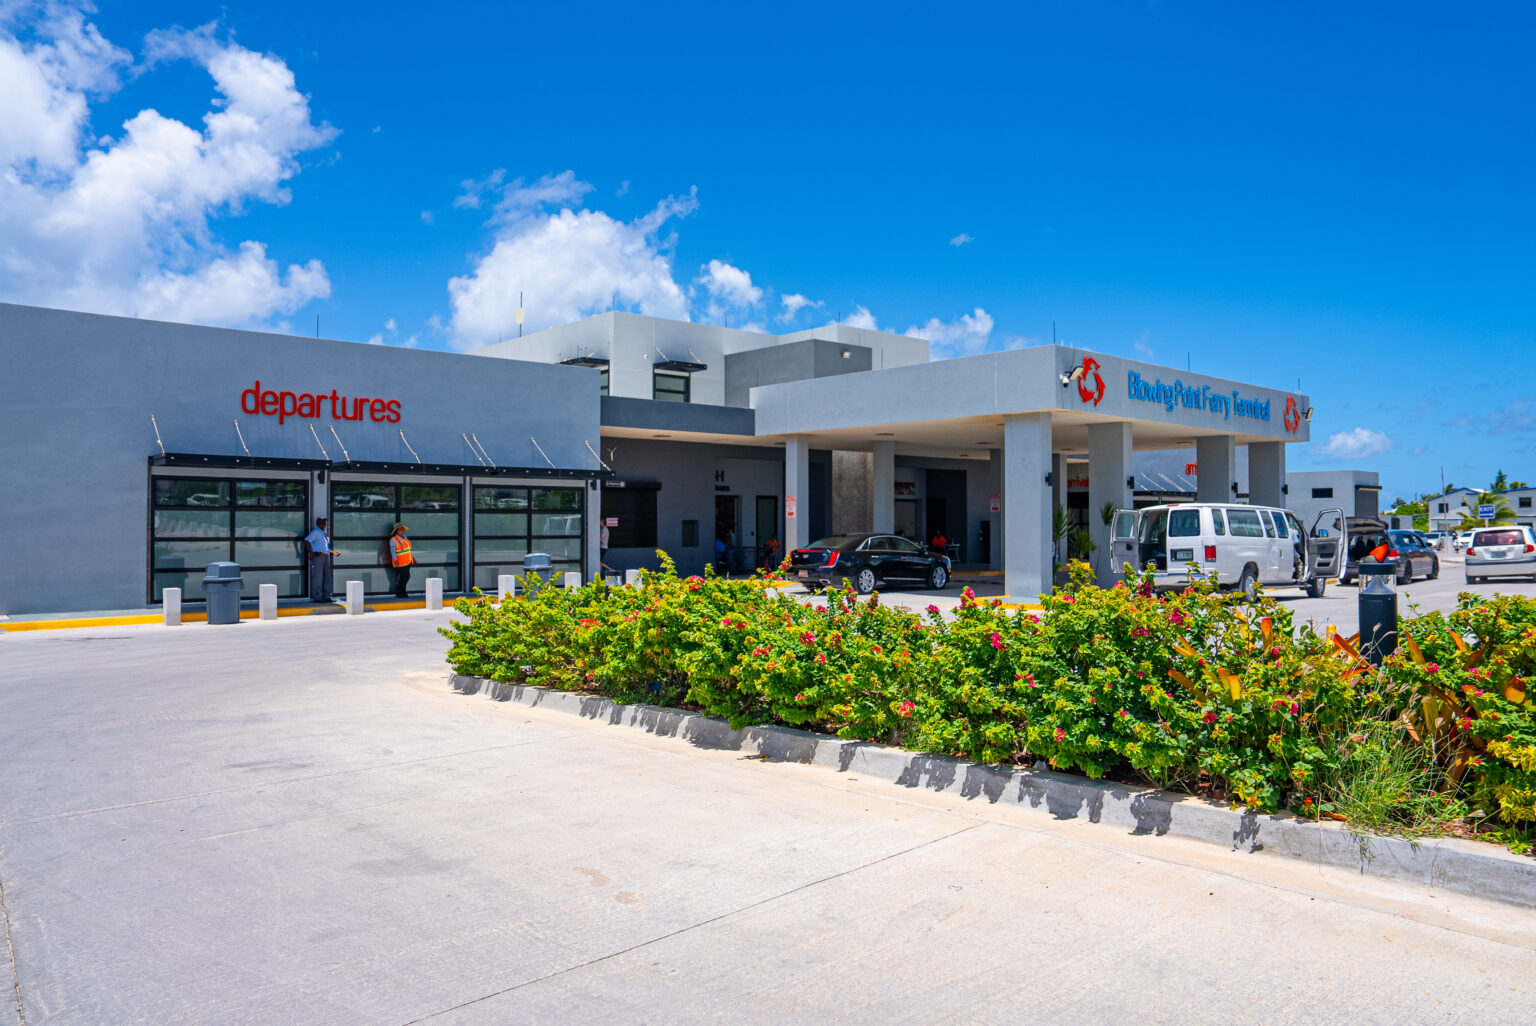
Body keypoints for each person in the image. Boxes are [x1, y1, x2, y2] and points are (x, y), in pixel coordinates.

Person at [303, 516, 339, 602]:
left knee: (327, 577)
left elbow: (325, 547)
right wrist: (311, 553)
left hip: (325, 557)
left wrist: (333, 552)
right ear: (317, 523)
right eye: (321, 523)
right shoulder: (315, 532)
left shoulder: (324, 533)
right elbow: (306, 541)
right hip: (318, 557)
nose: (323, 524)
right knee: (317, 578)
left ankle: (327, 596)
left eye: (324, 523)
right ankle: (317, 597)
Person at [388, 523, 414, 598]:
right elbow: (392, 552)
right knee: (406, 576)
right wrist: (395, 561)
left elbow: (408, 550)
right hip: (400, 562)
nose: (402, 531)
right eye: (400, 530)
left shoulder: (405, 538)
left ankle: (401, 592)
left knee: (404, 577)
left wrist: (413, 559)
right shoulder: (393, 540)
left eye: (402, 529)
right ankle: (401, 591)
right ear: (396, 531)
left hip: (408, 561)